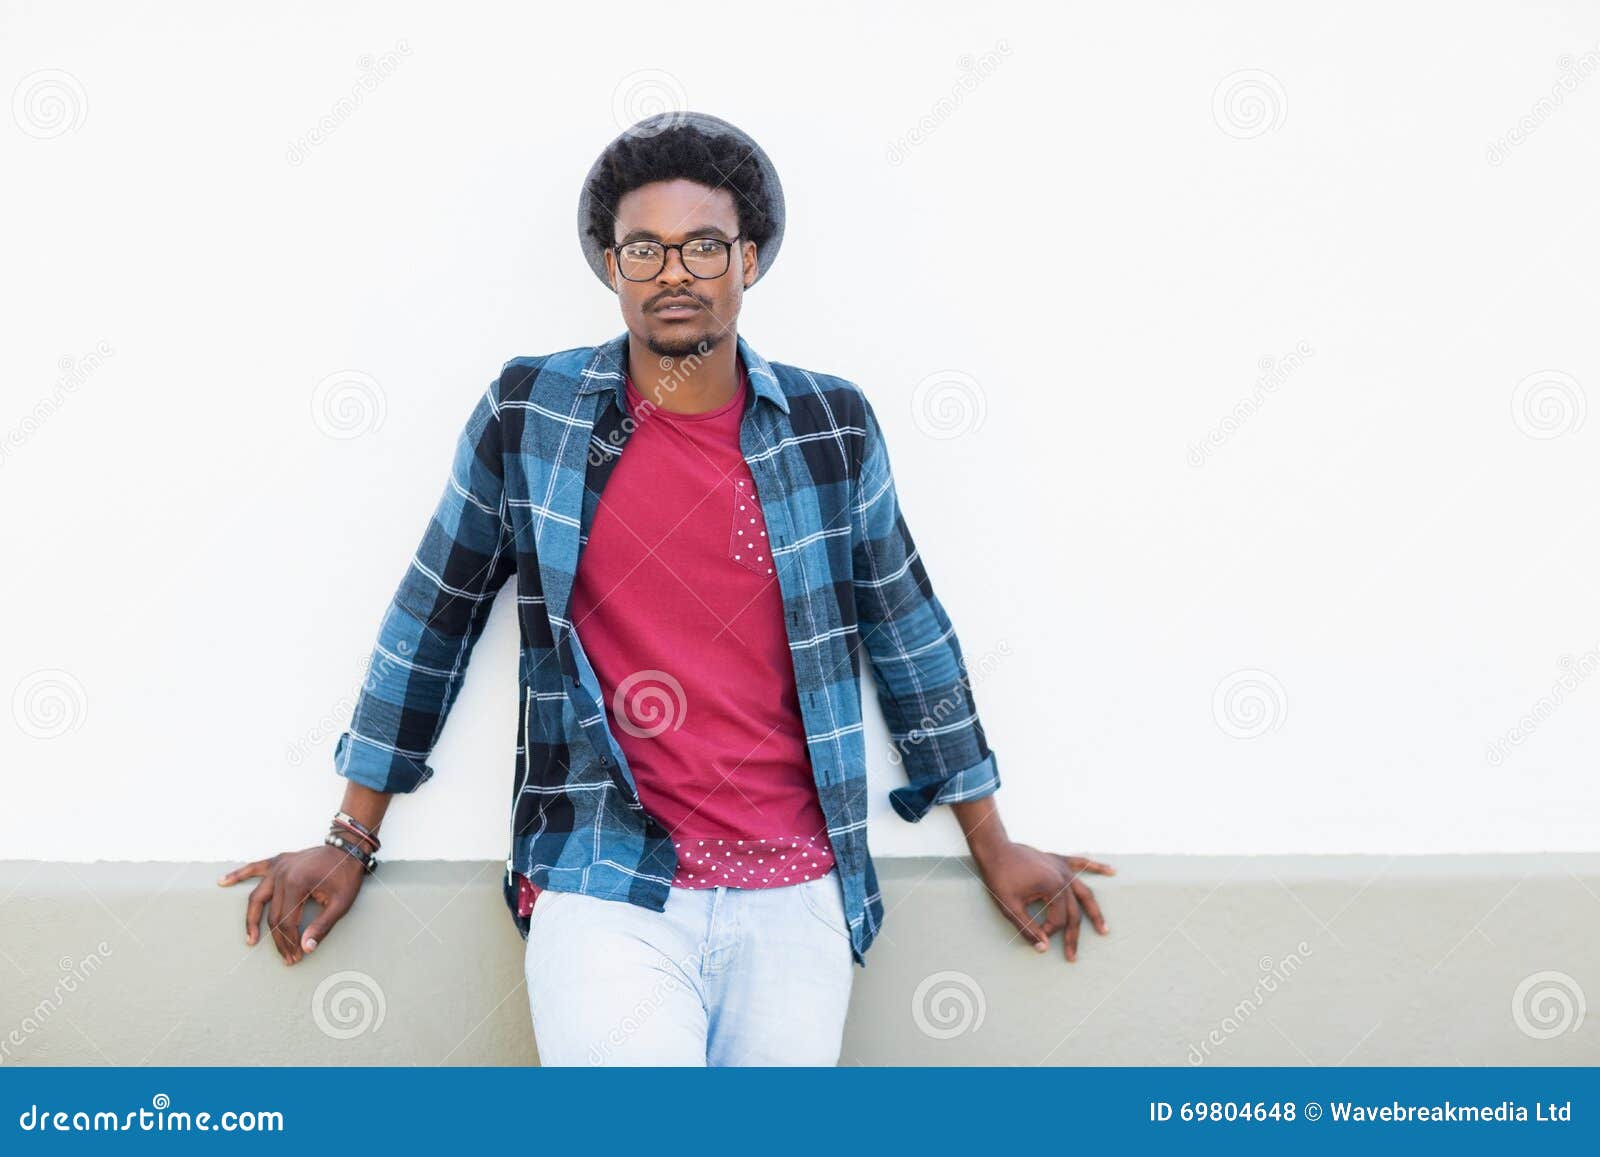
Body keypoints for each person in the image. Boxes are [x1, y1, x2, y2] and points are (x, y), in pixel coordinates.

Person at [220, 111, 1113, 1066]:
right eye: (644, 248)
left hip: (797, 889)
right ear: (611, 266)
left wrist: (992, 838)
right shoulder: (535, 414)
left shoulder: (829, 424)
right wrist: (351, 833)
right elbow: (435, 614)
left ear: (751, 259)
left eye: (703, 246)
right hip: (606, 881)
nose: (673, 271)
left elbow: (903, 626)